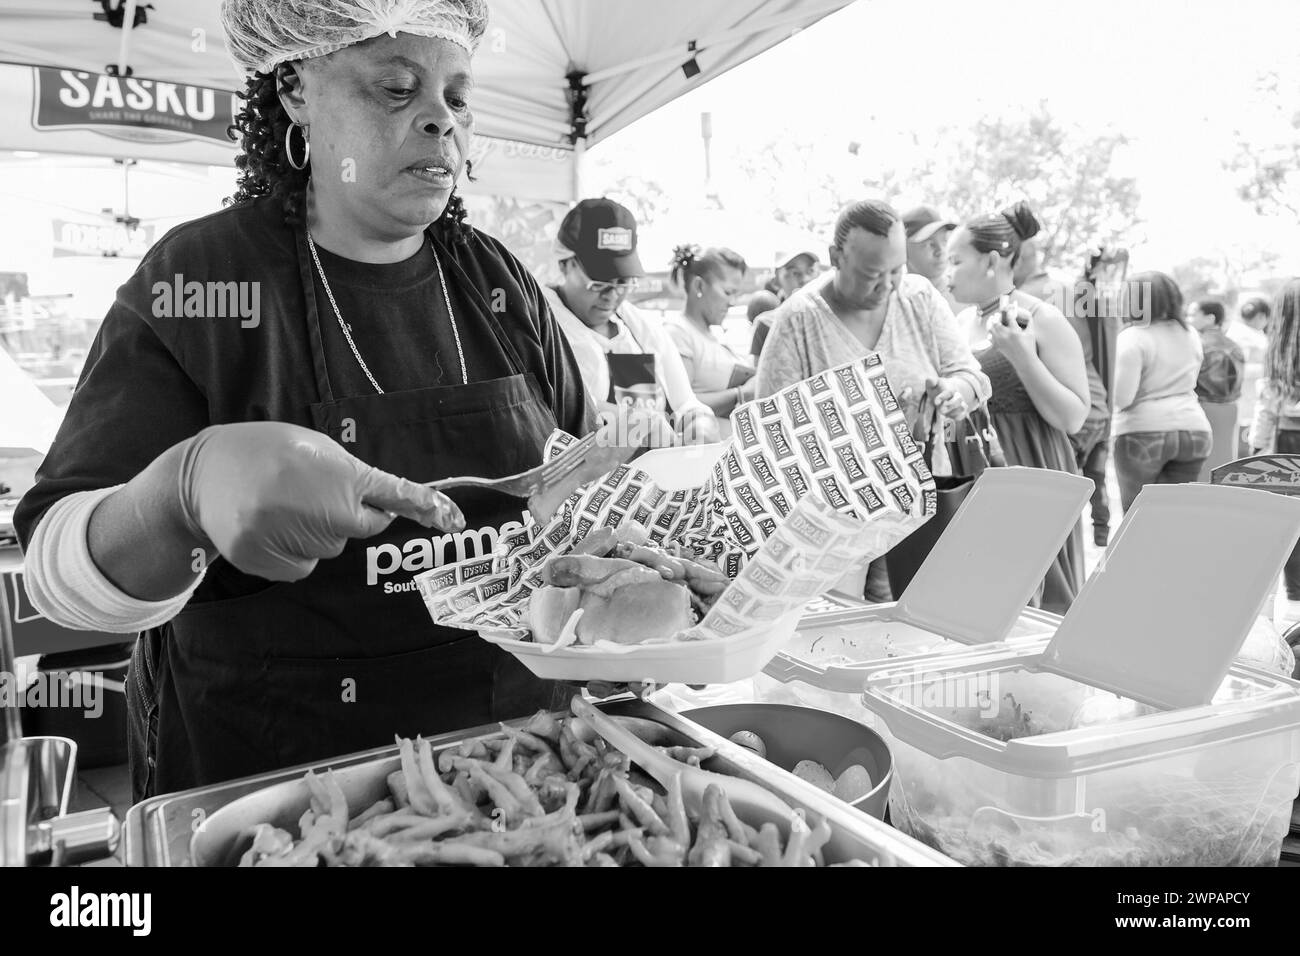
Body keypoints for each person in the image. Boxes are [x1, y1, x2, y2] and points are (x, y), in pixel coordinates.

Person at [14, 0, 613, 801]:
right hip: (279, 794)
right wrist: (180, 495)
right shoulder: (204, 280)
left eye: (456, 96)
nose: (440, 121)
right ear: (295, 90)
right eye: (396, 89)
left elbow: (581, 484)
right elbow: (58, 580)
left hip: (518, 774)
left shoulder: (497, 282)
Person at [757, 199, 991, 604]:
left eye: (896, 271)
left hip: (918, 510)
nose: (886, 287)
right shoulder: (798, 320)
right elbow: (769, 433)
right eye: (871, 275)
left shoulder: (919, 299)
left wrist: (956, 393)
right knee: (837, 637)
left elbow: (972, 376)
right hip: (832, 527)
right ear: (835, 258)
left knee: (913, 629)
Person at [948, 201, 1090, 613]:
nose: (948, 272)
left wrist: (1022, 356)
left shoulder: (1042, 317)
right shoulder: (961, 323)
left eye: (957, 261)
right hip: (973, 471)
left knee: (1035, 604)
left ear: (991, 260)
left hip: (1031, 470)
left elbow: (1074, 416)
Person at [543, 198, 719, 446]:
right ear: (565, 264)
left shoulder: (638, 327)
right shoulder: (542, 327)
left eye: (623, 282)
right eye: (599, 283)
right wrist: (630, 423)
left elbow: (685, 402)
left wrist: (699, 422)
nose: (612, 295)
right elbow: (553, 408)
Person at [1111, 272, 1212, 513]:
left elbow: (1122, 399)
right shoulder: (1191, 334)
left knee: (1137, 518)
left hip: (1143, 432)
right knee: (1174, 515)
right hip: (1194, 430)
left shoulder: (1133, 338)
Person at [663, 245, 756, 438]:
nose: (733, 302)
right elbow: (678, 407)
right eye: (728, 292)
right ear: (699, 286)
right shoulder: (678, 333)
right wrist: (741, 394)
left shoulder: (713, 333)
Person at [1249, 279, 1300, 628]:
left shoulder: (1280, 351)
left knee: (1291, 518)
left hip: (1288, 441)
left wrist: (1255, 447)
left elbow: (1267, 409)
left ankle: (1294, 603)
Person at [748, 247, 821, 360]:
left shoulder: (830, 321)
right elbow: (760, 374)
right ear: (777, 279)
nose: (805, 279)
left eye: (810, 271)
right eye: (795, 273)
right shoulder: (767, 324)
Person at [1231, 296, 1271, 456]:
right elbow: (1239, 370)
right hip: (1245, 401)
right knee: (1245, 453)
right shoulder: (1242, 335)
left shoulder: (1251, 333)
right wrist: (1269, 370)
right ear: (1262, 316)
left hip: (1252, 400)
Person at [901, 205, 960, 313]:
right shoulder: (893, 302)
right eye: (929, 244)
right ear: (903, 248)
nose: (941, 251)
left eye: (944, 241)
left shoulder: (965, 298)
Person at [1188, 300, 1244, 405]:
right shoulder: (1234, 346)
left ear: (1210, 319)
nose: (1188, 320)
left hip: (1203, 406)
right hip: (1231, 407)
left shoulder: (1198, 344)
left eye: (1192, 315)